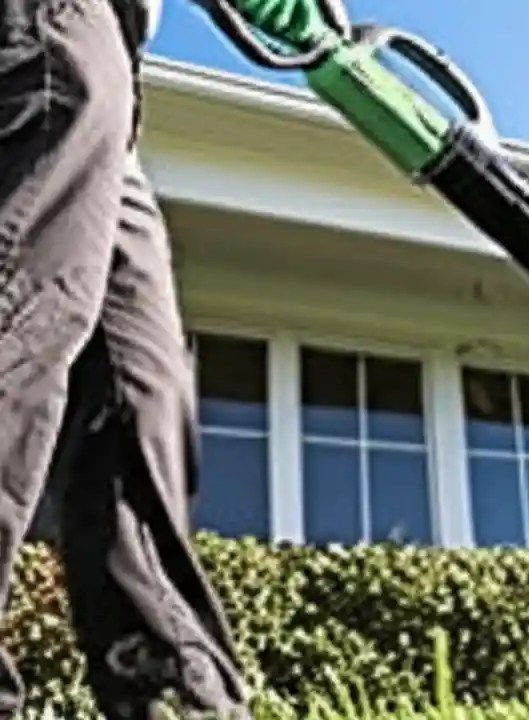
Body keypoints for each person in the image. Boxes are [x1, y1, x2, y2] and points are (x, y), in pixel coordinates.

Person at [0, 0, 321, 715]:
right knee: (23, 309)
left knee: (138, 390)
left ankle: (174, 691)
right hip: (50, 24)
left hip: (113, 63)